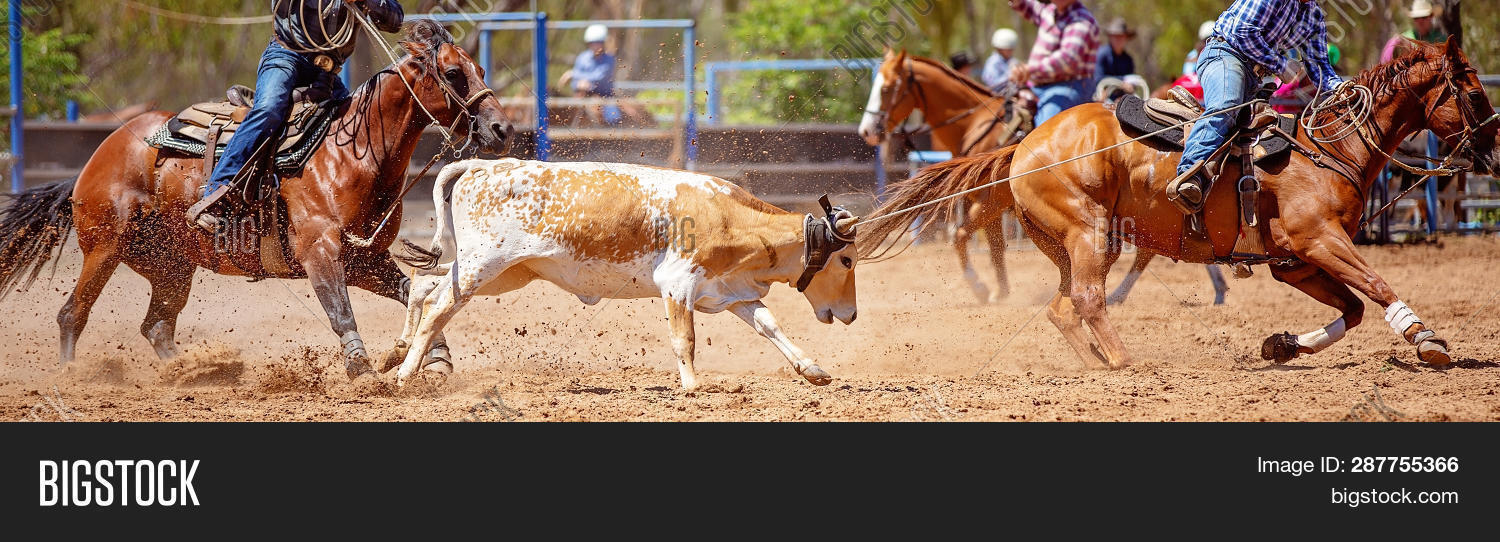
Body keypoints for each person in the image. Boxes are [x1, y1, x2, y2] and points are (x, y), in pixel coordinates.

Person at [187, 0, 405, 230]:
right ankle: (217, 192)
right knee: (269, 109)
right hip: (286, 56)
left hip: (327, 73)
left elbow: (395, 20)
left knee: (353, 125)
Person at [1166, 0, 1343, 213]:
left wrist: (1342, 89)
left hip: (1254, 75)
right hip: (1225, 54)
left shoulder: (1313, 15)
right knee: (1226, 104)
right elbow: (1242, 33)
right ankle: (1188, 175)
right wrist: (1281, 65)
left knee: (1267, 128)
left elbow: (1319, 65)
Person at [1006, 0, 1100, 127]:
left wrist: (1029, 70)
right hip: (1040, 85)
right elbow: (1027, 7)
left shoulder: (1082, 20)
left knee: (1045, 130)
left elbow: (1067, 60)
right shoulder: (1049, 10)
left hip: (1071, 86)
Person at [571, 24, 617, 98]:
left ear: (603, 44)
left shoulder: (609, 59)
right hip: (583, 95)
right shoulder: (582, 57)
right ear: (588, 44)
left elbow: (600, 77)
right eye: (592, 43)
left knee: (612, 109)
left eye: (598, 43)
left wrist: (573, 74)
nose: (595, 46)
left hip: (605, 97)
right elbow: (574, 81)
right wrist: (577, 84)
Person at [981, 28, 1019, 93]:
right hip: (998, 97)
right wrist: (1009, 76)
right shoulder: (992, 62)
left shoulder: (1013, 61)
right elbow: (993, 85)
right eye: (1008, 49)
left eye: (1012, 49)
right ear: (999, 48)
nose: (1011, 51)